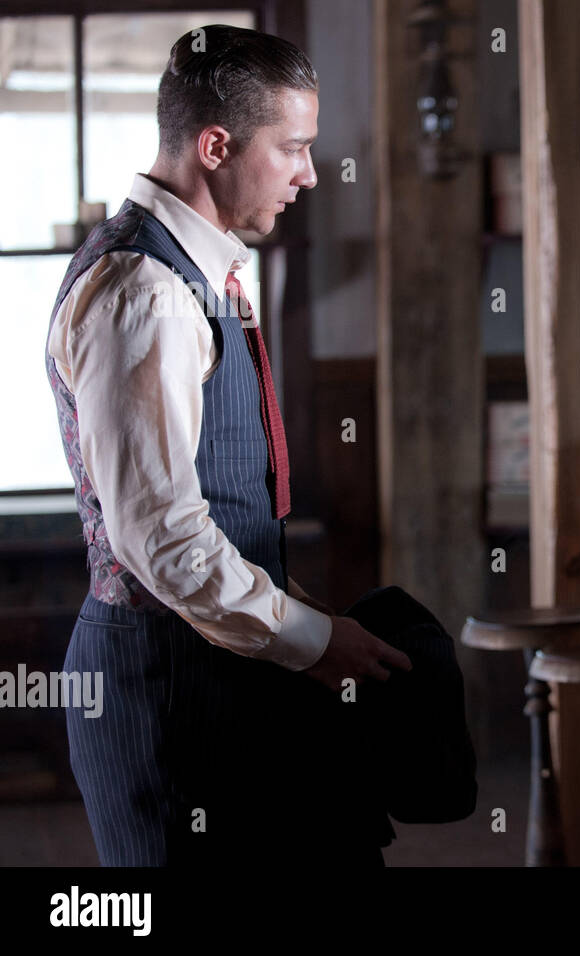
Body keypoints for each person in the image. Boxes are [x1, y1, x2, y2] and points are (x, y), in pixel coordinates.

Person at [45, 25, 411, 866]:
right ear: (217, 145)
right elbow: (163, 540)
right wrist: (315, 643)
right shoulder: (147, 291)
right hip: (165, 689)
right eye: (294, 148)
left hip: (216, 671)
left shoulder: (196, 273)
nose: (310, 173)